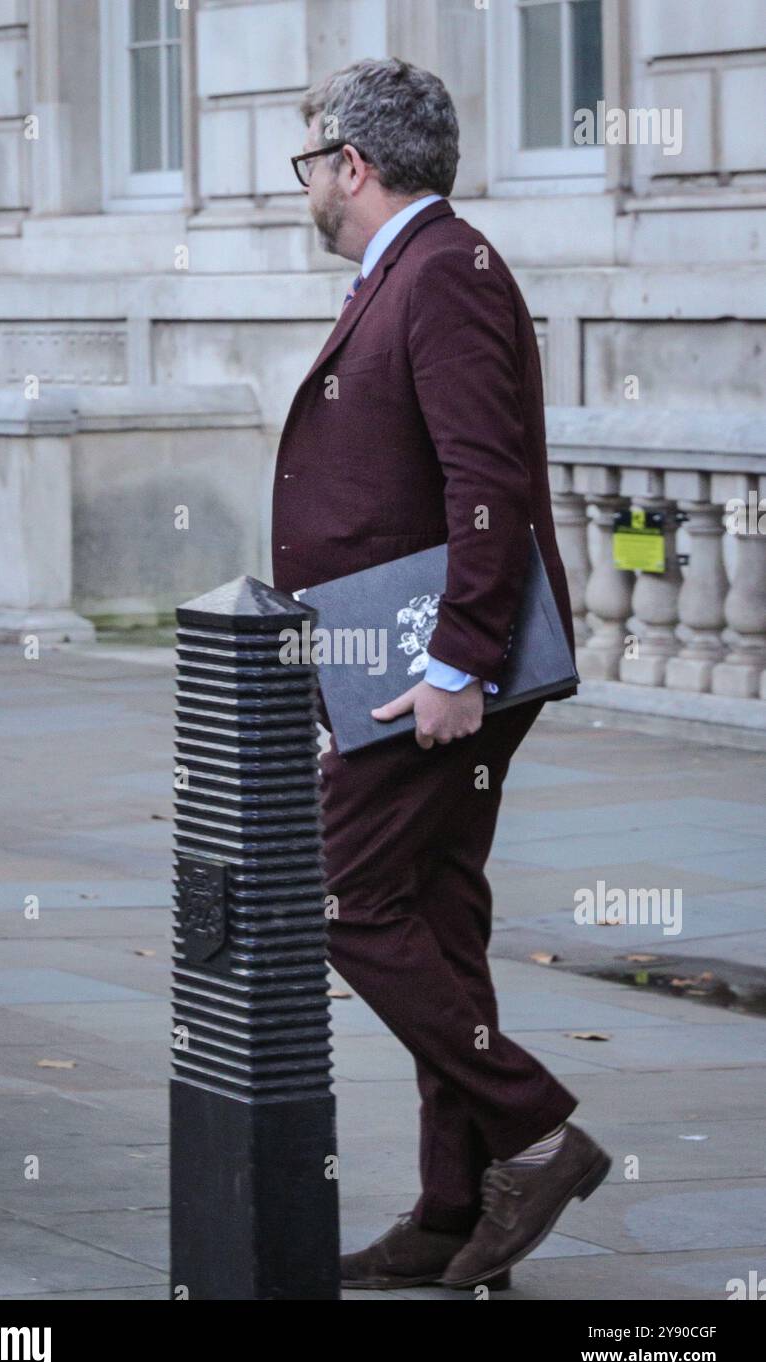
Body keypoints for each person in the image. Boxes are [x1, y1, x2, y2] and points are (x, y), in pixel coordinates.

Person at [273, 57, 611, 1292]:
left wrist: (457, 664)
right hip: (398, 657)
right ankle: (454, 1204)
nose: (305, 187)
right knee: (437, 919)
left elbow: (489, 485)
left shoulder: (442, 274)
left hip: (433, 670)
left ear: (351, 166)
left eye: (310, 163)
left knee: (340, 896)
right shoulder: (413, 270)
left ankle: (533, 1132)